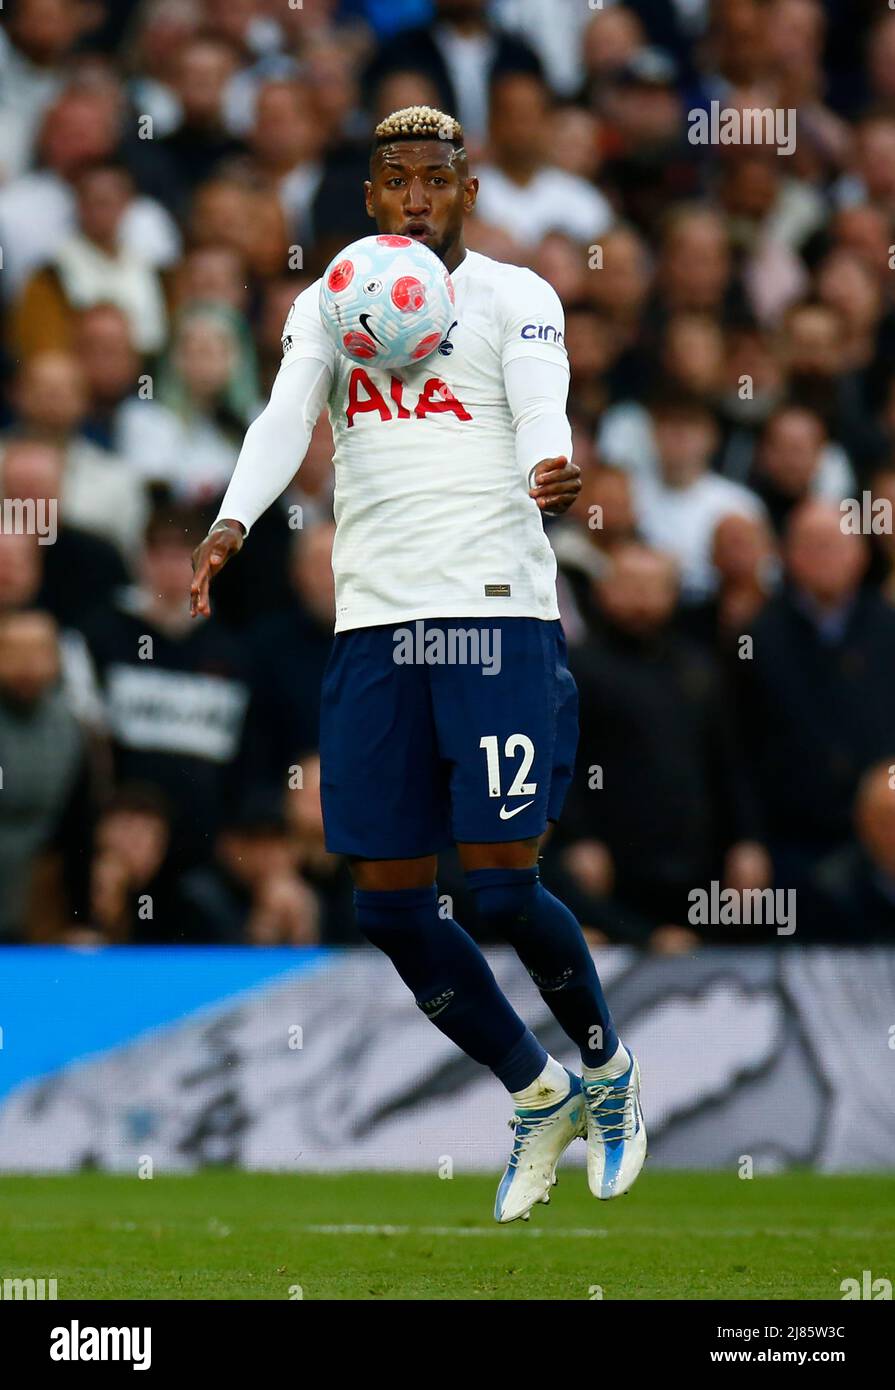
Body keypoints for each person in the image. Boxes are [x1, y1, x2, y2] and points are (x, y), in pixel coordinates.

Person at [189, 104, 646, 1222]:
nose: (416, 198)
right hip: (374, 627)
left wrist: (554, 462)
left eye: (436, 179)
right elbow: (283, 414)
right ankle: (534, 1092)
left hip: (492, 618)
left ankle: (607, 1070)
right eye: (396, 179)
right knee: (387, 905)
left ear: (467, 190)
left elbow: (544, 405)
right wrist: (231, 520)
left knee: (498, 880)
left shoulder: (516, 295)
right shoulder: (336, 296)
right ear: (369, 194)